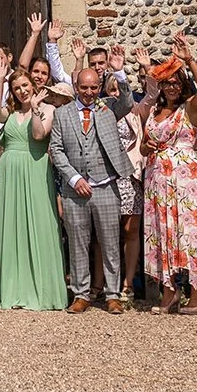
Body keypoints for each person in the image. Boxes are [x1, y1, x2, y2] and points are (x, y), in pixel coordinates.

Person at [135, 40, 197, 313]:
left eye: (175, 82)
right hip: (157, 178)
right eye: (166, 83)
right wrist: (146, 147)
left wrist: (190, 59)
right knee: (162, 234)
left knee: (190, 233)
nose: (171, 86)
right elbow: (143, 145)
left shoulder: (190, 108)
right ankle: (170, 291)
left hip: (185, 179)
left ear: (182, 84)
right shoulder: (152, 111)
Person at [50, 65, 133, 313]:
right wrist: (74, 179)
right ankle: (81, 294)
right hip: (75, 190)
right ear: (76, 87)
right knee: (77, 244)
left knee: (110, 244)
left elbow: (128, 102)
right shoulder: (62, 114)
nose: (89, 92)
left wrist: (120, 74)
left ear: (99, 87)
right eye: (84, 87)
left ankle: (113, 295)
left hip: (106, 185)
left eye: (94, 87)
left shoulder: (107, 107)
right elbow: (56, 149)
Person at [0, 67, 66, 312]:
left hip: (35, 168)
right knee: (12, 225)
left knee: (39, 223)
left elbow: (38, 134)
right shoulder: (11, 112)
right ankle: (13, 289)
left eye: (25, 85)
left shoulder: (49, 109)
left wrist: (35, 108)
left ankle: (42, 290)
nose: (22, 91)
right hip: (10, 171)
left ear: (33, 85)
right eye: (17, 88)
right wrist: (1, 80)